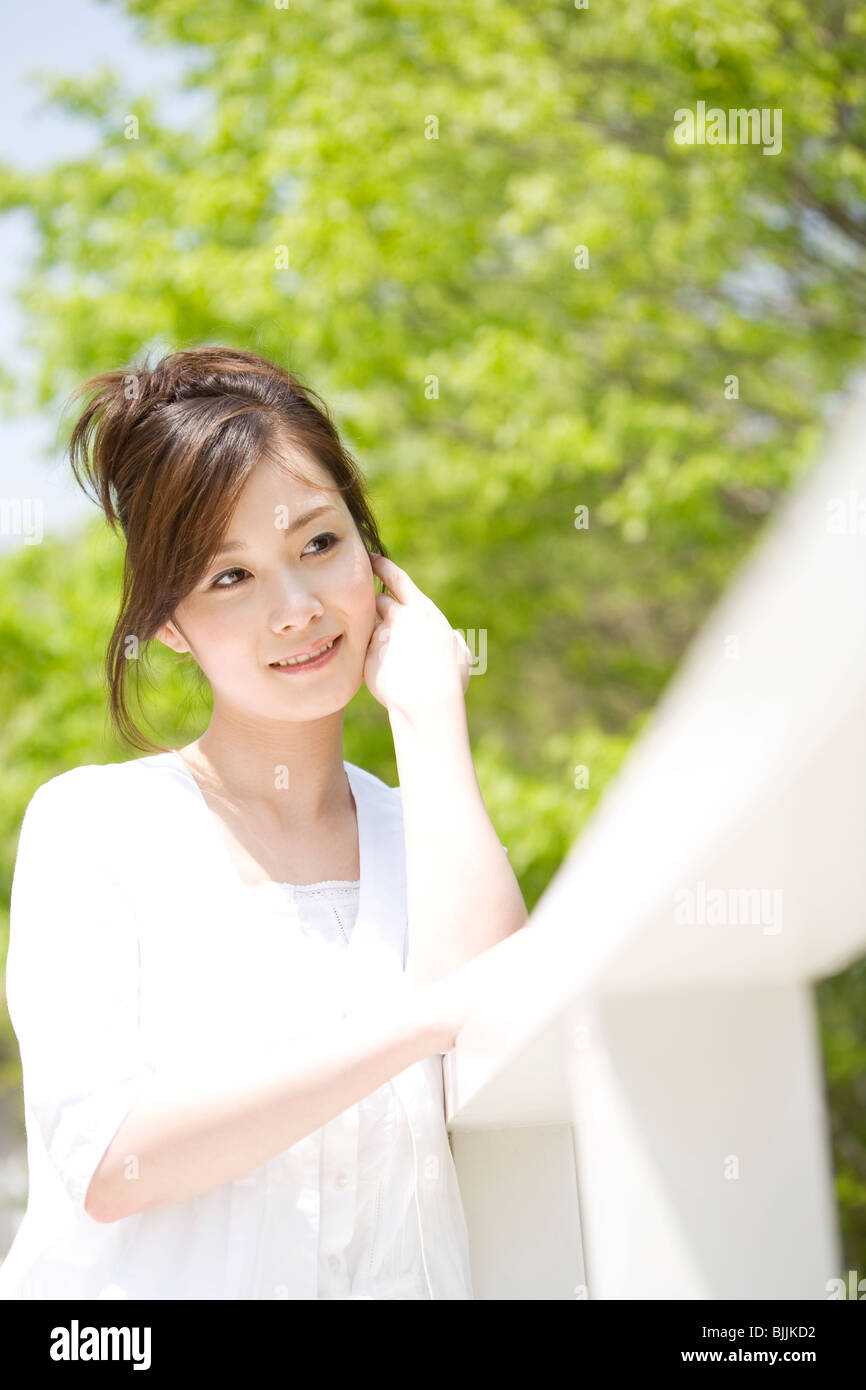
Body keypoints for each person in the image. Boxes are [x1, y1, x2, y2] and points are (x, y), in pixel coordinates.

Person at [0, 346, 529, 1300]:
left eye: (319, 545)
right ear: (166, 621)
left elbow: (499, 1040)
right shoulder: (94, 829)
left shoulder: (434, 831)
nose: (296, 610)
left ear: (376, 556)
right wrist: (417, 1026)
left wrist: (429, 712)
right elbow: (113, 1163)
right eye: (229, 578)